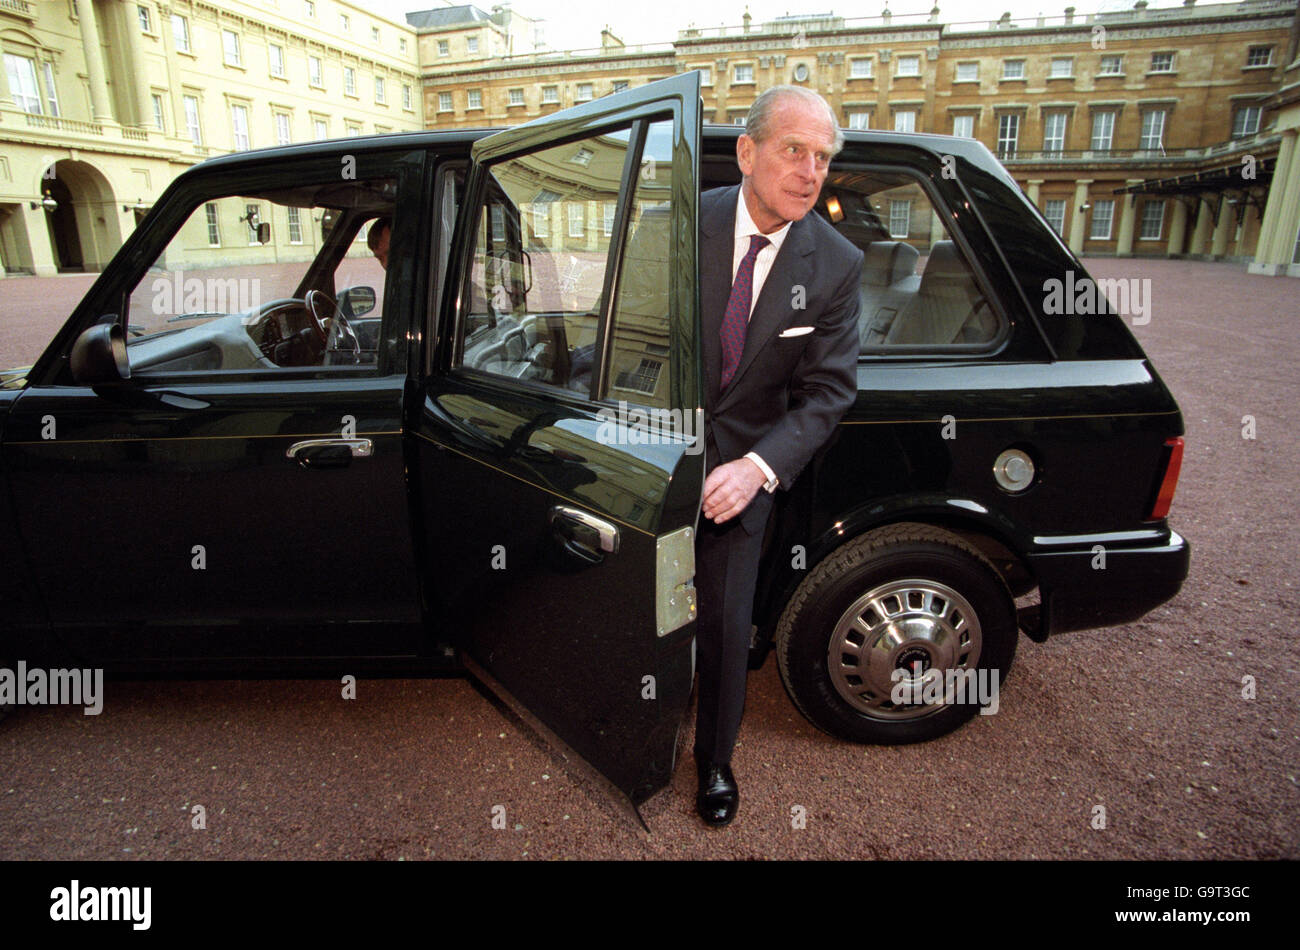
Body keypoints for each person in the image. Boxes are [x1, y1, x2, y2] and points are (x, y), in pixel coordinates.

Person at [693, 85, 863, 827]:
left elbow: (827, 394)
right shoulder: (678, 226)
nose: (810, 170)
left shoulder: (835, 264)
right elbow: (631, 340)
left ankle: (715, 762)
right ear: (748, 151)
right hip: (656, 450)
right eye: (795, 150)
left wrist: (757, 468)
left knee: (728, 622)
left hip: (748, 468)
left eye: (822, 158)